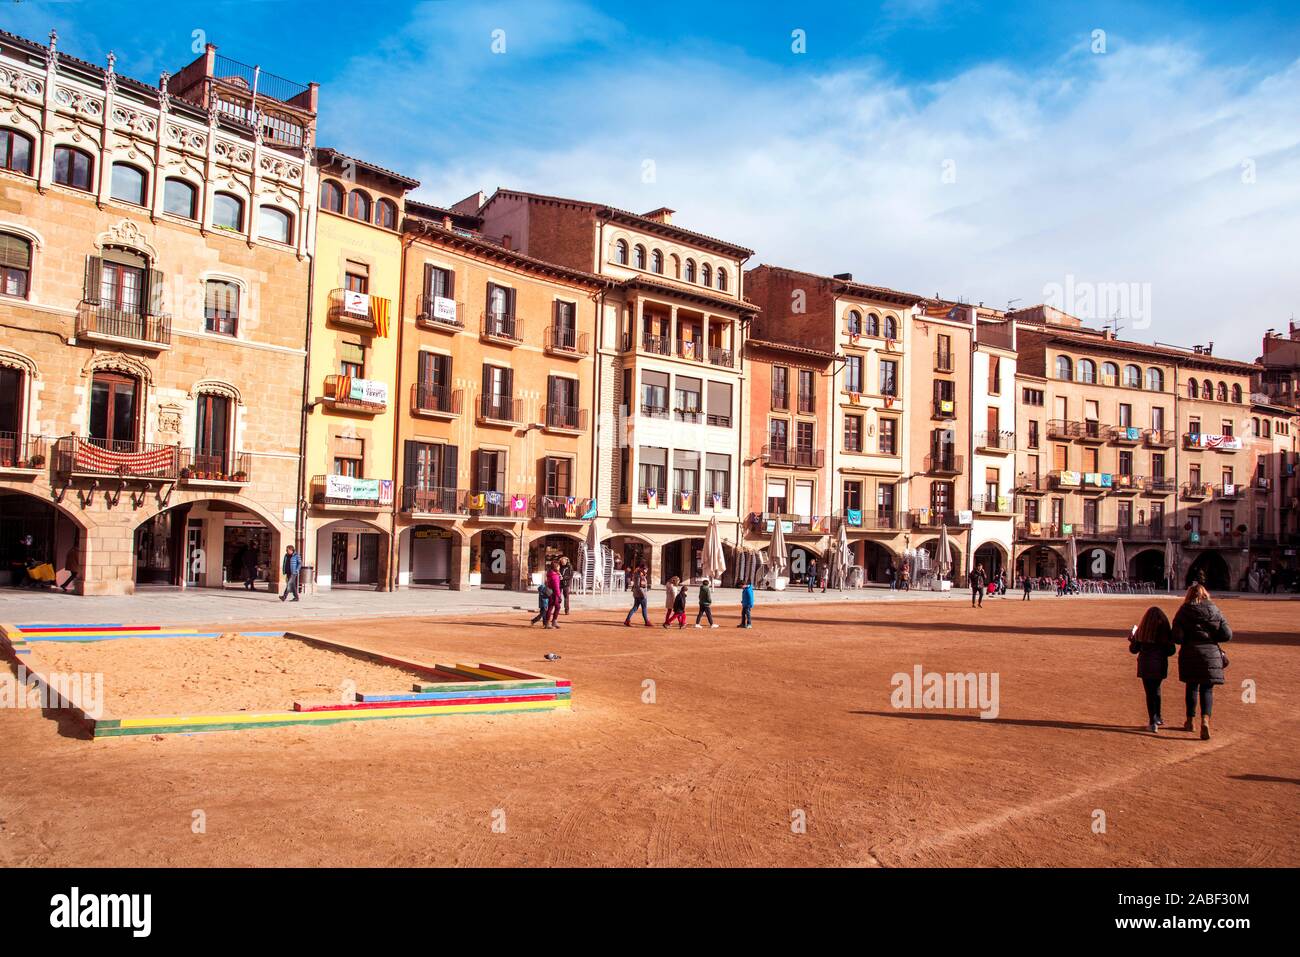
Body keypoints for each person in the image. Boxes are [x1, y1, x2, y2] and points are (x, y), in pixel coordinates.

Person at [1172, 583, 1232, 739]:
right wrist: (1212, 638)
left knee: (1191, 687)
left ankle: (1190, 721)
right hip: (1210, 653)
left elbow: (1177, 637)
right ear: (1205, 594)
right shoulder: (1214, 609)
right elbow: (1227, 634)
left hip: (1190, 652)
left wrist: (1188, 637)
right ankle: (1205, 720)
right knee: (1207, 689)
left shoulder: (1183, 611)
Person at [1129, 606, 1176, 732]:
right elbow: (1171, 651)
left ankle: (1152, 721)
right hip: (1160, 664)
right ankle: (1158, 716)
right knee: (1156, 689)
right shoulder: (1165, 633)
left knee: (1150, 693)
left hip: (1145, 664)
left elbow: (1133, 650)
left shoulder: (1142, 632)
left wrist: (1132, 639)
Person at [546, 562, 564, 628]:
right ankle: (551, 622)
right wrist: (559, 596)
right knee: (555, 607)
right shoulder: (555, 576)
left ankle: (551, 622)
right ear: (555, 567)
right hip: (554, 594)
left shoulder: (550, 574)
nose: (559, 568)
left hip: (551, 593)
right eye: (558, 566)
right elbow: (556, 587)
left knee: (551, 607)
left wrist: (559, 576)